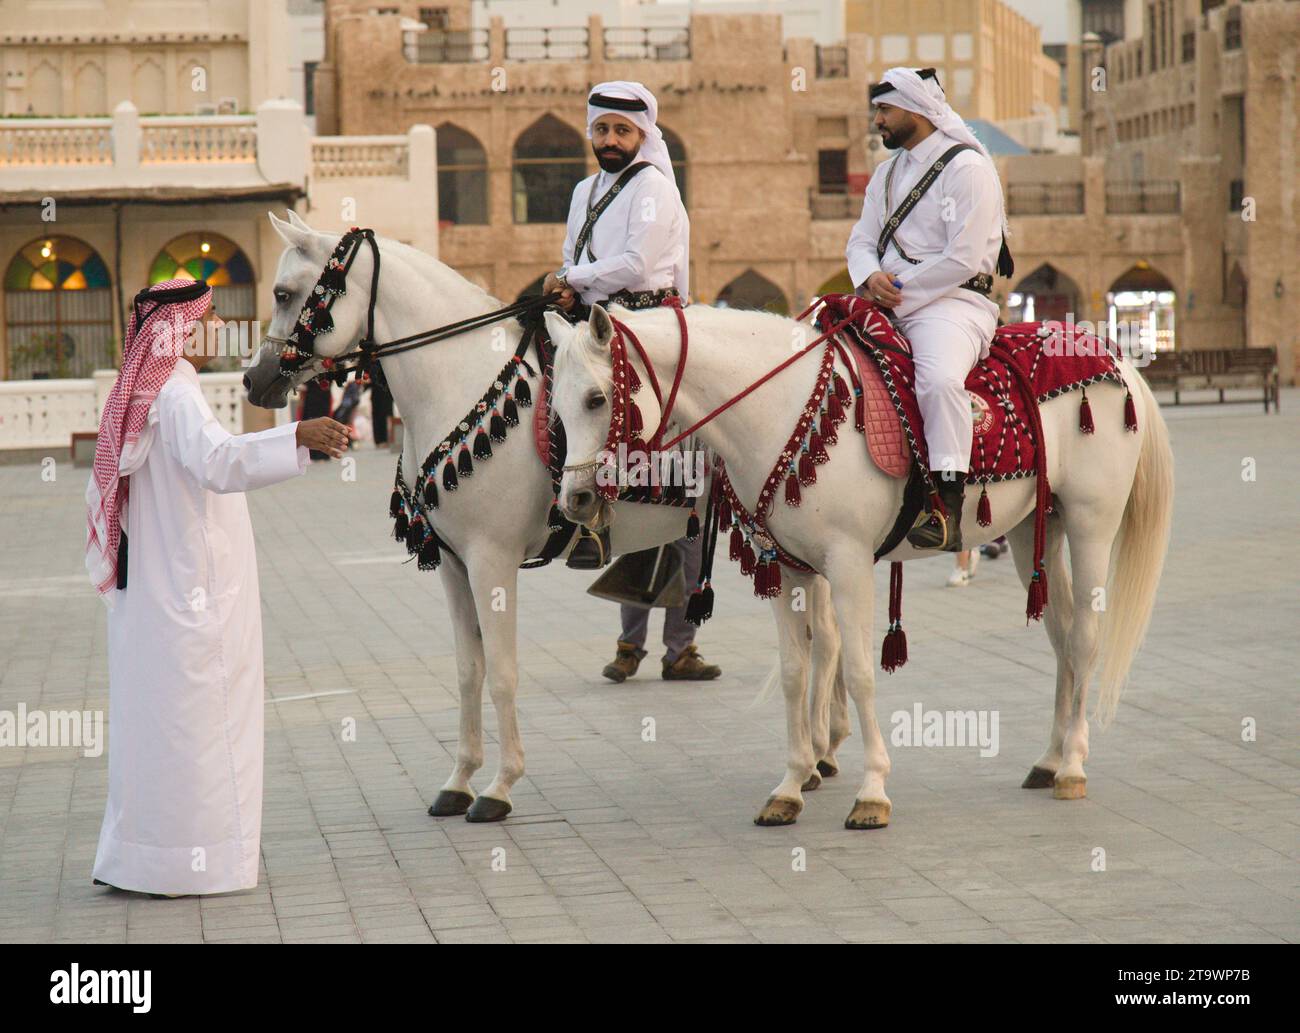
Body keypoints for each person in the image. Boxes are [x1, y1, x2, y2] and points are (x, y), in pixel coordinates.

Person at [85, 278, 352, 897]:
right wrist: (296, 436)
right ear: (179, 332)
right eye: (209, 320)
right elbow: (218, 462)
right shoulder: (176, 394)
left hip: (155, 594)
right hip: (191, 593)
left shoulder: (150, 393)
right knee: (202, 726)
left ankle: (142, 858)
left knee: (157, 725)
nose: (218, 331)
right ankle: (191, 862)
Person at [541, 80, 719, 683]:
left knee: (676, 491)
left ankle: (680, 647)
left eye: (622, 130)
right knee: (601, 463)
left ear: (642, 135)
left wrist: (571, 277)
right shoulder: (584, 191)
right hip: (597, 330)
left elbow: (638, 266)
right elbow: (577, 258)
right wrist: (571, 286)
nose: (611, 139)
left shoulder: (654, 189)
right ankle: (626, 636)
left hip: (652, 336)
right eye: (602, 129)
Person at [846, 66, 1013, 552]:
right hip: (888, 300)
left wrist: (896, 291)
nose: (877, 120)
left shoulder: (967, 169)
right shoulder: (887, 173)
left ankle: (946, 505)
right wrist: (869, 276)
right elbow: (861, 239)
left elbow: (963, 259)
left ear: (915, 110)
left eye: (885, 109)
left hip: (953, 304)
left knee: (938, 380)